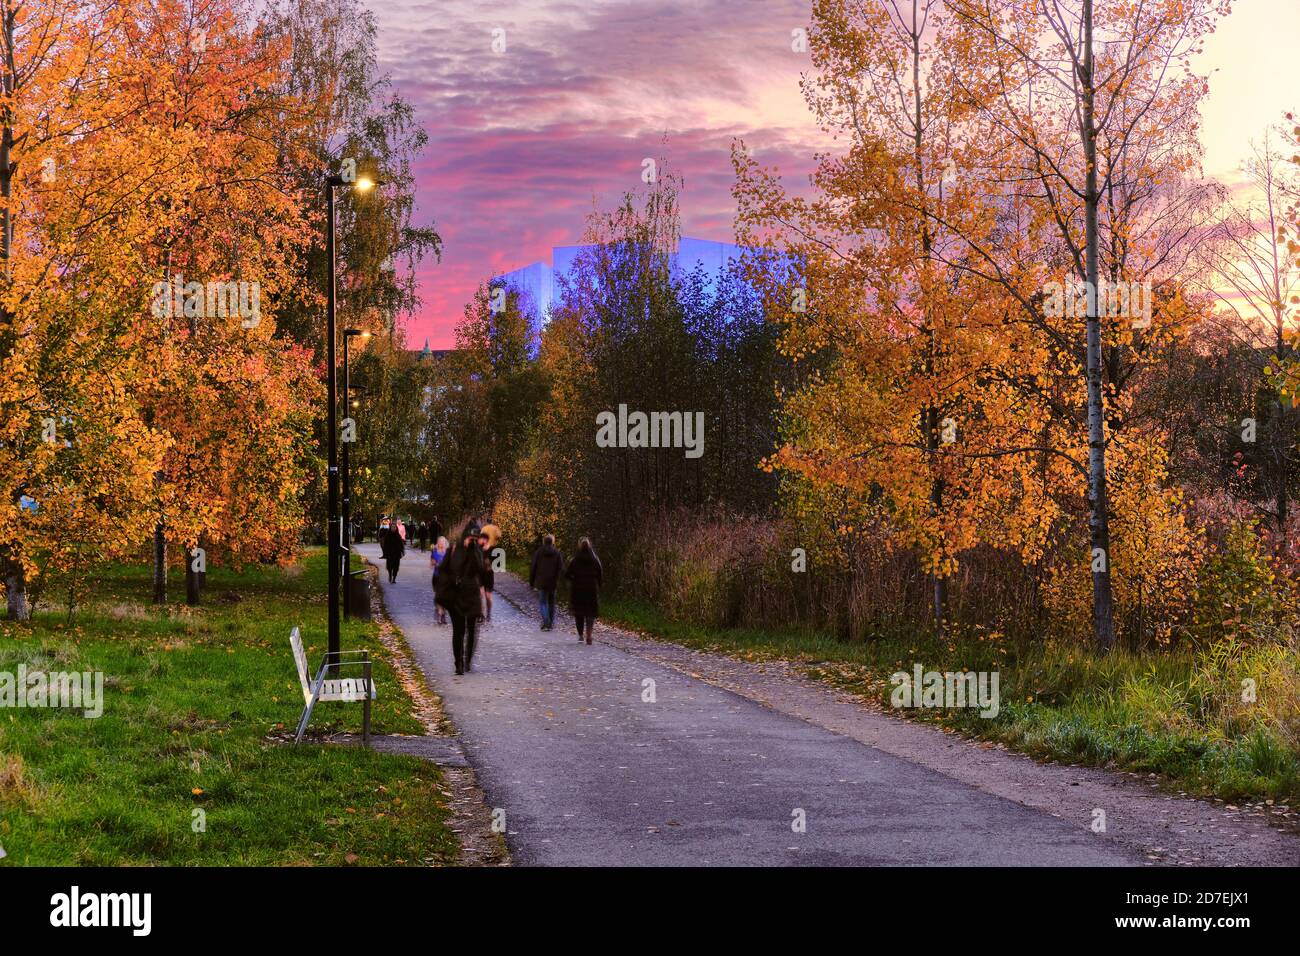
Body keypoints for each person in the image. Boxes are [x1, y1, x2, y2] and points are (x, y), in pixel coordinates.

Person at [438, 524, 485, 675]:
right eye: (471, 537)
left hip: (471, 594)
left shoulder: (476, 551)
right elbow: (443, 570)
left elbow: (480, 569)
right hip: (455, 594)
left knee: (472, 630)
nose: (473, 540)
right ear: (465, 536)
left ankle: (468, 661)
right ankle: (458, 662)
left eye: (476, 538)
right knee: (458, 630)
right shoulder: (453, 549)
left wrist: (473, 550)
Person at [565, 537, 603, 645]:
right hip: (591, 589)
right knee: (590, 613)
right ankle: (589, 635)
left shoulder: (575, 560)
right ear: (590, 545)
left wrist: (573, 581)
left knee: (579, 613)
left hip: (578, 590)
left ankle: (581, 635)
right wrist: (598, 585)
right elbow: (600, 573)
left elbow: (567, 574)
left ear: (579, 546)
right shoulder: (595, 559)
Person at [529, 534, 565, 631]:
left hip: (541, 581)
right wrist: (559, 581)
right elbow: (561, 568)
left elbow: (533, 567)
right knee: (552, 603)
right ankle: (550, 623)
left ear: (544, 542)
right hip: (553, 582)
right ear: (553, 542)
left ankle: (546, 622)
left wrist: (531, 582)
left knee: (543, 603)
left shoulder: (539, 552)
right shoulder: (557, 553)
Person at [478, 525, 500, 623]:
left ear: (487, 540)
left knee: (488, 597)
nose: (481, 541)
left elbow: (498, 565)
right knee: (480, 595)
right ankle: (481, 615)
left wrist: (490, 564)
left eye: (483, 539)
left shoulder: (493, 550)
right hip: (479, 576)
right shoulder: (478, 549)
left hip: (489, 576)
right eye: (480, 539)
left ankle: (489, 613)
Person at [430, 536, 450, 625]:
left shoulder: (448, 553)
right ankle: (439, 612)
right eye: (440, 542)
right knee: (438, 596)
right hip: (437, 577)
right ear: (438, 543)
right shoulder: (434, 552)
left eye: (443, 542)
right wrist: (436, 564)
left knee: (445, 597)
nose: (441, 543)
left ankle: (443, 614)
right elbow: (431, 564)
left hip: (446, 578)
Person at [380, 518, 405, 583]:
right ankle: (390, 575)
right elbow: (385, 545)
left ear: (396, 528)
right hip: (390, 554)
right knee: (390, 566)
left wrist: (402, 551)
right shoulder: (388, 535)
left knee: (396, 567)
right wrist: (385, 553)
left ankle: (394, 578)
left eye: (394, 527)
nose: (393, 528)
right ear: (390, 528)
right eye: (392, 527)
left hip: (396, 554)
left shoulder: (398, 536)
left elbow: (401, 545)